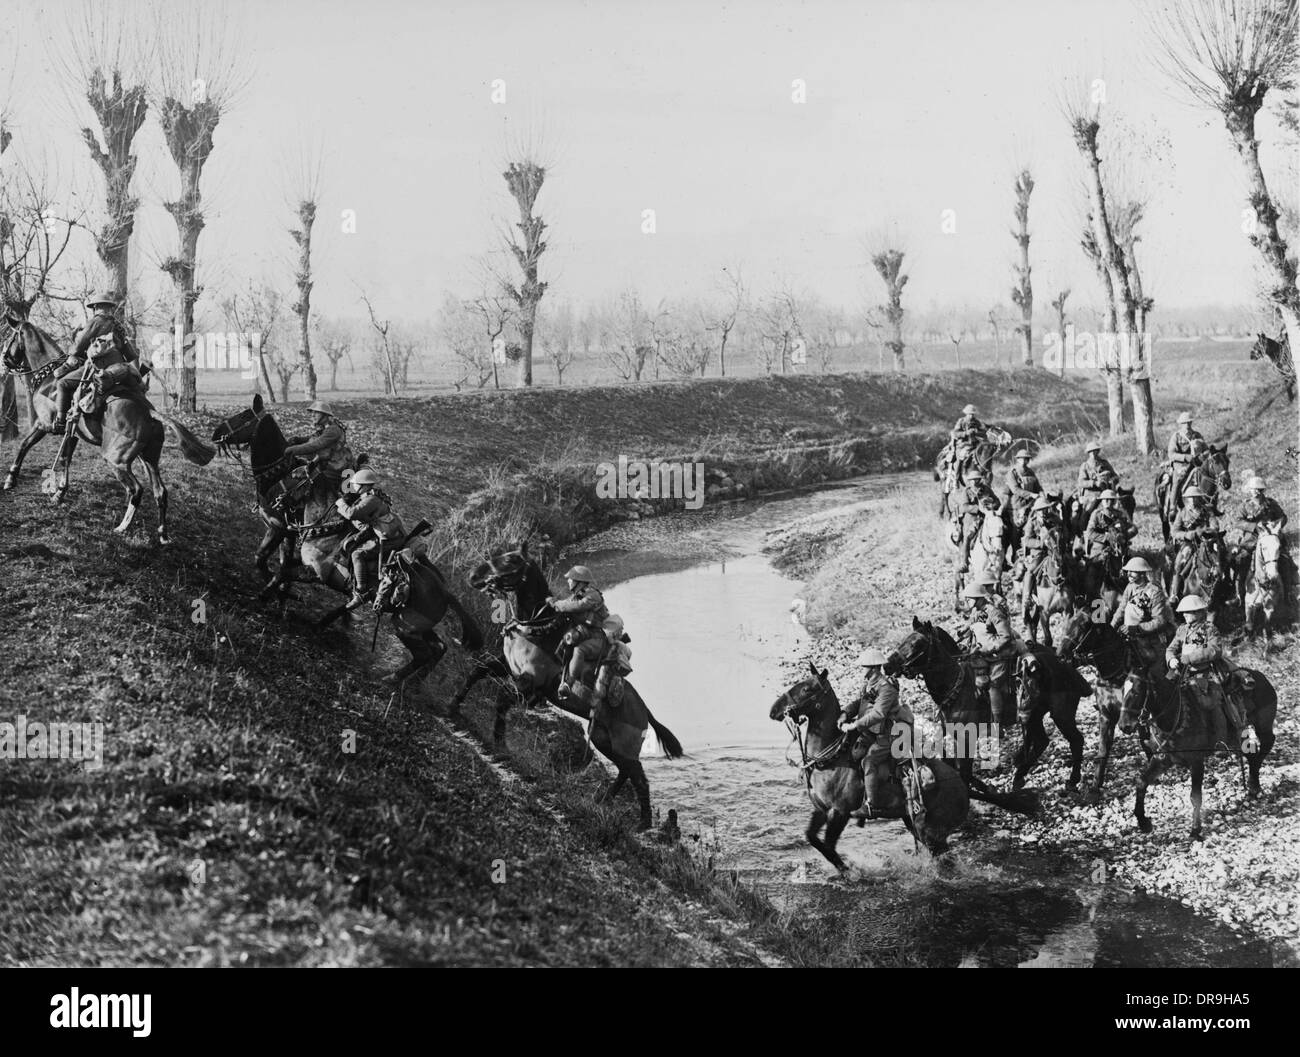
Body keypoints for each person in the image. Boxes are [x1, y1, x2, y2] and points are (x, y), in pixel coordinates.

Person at [1166, 594, 1258, 753]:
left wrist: (1189, 657)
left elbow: (1214, 650)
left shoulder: (1210, 629)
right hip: (1184, 673)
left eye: (1188, 612)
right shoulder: (1182, 630)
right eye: (1184, 613)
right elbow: (1171, 649)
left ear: (1198, 612)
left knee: (1213, 704)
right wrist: (1171, 659)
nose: (1184, 615)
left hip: (1207, 672)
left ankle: (1221, 743)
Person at [838, 647, 913, 820]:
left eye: (864, 666)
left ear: (873, 668)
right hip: (873, 731)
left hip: (891, 733)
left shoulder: (886, 688)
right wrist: (846, 712)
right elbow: (860, 702)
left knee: (869, 761)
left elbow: (879, 714)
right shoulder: (868, 683)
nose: (861, 669)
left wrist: (854, 725)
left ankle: (870, 805)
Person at [51, 292, 143, 431]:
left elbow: (78, 346)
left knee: (62, 383)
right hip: (119, 369)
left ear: (95, 308)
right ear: (110, 308)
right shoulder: (118, 326)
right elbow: (130, 355)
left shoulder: (95, 321)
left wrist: (74, 352)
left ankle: (60, 422)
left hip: (99, 367)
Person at [336, 467, 406, 607]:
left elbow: (351, 514)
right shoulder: (372, 496)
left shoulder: (371, 499)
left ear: (364, 485)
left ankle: (361, 591)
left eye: (356, 484)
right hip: (387, 533)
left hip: (388, 539)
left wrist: (341, 503)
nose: (354, 486)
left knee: (357, 554)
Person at [549, 566, 614, 699]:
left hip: (598, 637)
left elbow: (578, 606)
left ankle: (568, 684)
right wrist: (554, 603)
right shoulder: (577, 595)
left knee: (580, 650)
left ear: (580, 581)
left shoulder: (593, 595)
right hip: (585, 633)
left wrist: (556, 604)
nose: (568, 582)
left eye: (571, 579)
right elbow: (567, 602)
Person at [1110, 556, 1176, 681]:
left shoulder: (1155, 592)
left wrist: (1137, 629)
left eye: (1132, 571)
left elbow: (1160, 621)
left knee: (1156, 676)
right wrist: (1111, 628)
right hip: (1129, 636)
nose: (1128, 574)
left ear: (1141, 574)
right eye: (1128, 571)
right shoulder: (1130, 587)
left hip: (1150, 640)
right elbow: (1121, 609)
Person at [962, 582, 1018, 725]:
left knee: (994, 686)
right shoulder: (977, 611)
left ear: (978, 598)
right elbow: (972, 624)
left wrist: (986, 649)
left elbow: (1005, 636)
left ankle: (997, 724)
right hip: (984, 653)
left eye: (969, 598)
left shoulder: (994, 612)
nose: (967, 601)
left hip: (1001, 654)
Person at [285, 401, 355, 488]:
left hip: (334, 466)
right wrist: (298, 440)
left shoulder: (333, 430)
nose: (312, 415)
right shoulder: (325, 427)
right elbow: (314, 438)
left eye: (316, 413)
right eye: (312, 413)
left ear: (325, 415)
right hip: (325, 462)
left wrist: (290, 450)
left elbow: (315, 445)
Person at [1169, 486, 1222, 599]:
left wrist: (1206, 530)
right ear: (1186, 499)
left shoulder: (1207, 510)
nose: (1193, 500)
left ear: (1199, 498)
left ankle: (1227, 585)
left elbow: (1215, 525)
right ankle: (1175, 593)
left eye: (1195, 497)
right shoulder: (1183, 513)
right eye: (1190, 498)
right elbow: (1174, 532)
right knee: (1179, 563)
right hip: (1190, 543)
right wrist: (1188, 534)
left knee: (1224, 556)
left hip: (1207, 540)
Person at [1166, 411, 1206, 515]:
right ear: (1180, 424)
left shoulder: (1197, 435)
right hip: (1181, 465)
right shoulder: (1176, 436)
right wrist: (1185, 457)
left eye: (1189, 422)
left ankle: (1211, 502)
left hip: (1196, 463)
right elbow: (1171, 454)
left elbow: (1206, 450)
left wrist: (1202, 456)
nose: (1187, 425)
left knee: (1208, 477)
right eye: (1184, 423)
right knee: (1178, 480)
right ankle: (1172, 507)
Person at [1084, 489, 1138, 562]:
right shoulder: (1096, 514)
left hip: (1117, 548)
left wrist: (1123, 536)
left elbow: (1134, 528)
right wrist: (1106, 537)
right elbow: (1090, 532)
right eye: (1104, 499)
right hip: (1100, 547)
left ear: (1113, 501)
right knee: (1094, 568)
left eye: (1109, 499)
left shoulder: (1119, 514)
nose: (1106, 501)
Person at [1076, 441, 1118, 522]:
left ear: (1098, 451)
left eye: (1095, 450)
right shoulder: (1085, 466)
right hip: (1091, 495)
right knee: (1087, 513)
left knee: (1117, 510)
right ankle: (1085, 531)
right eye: (1091, 451)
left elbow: (1115, 476)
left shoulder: (1105, 463)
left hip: (1106, 493)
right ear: (1088, 453)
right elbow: (1081, 482)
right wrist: (1094, 483)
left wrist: (1111, 481)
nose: (1093, 453)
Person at [1004, 450, 1042, 533]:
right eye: (1021, 459)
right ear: (1017, 460)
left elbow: (1038, 487)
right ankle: (1016, 545)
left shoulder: (1030, 472)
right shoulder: (1012, 473)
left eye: (1026, 459)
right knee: (1017, 528)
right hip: (1017, 505)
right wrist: (1031, 494)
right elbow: (1015, 489)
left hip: (1031, 504)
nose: (1024, 461)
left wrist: (1043, 496)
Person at [950, 404, 989, 483]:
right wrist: (966, 433)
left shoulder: (977, 422)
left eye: (972, 414)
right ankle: (956, 478)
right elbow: (955, 433)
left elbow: (984, 432)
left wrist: (977, 432)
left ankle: (984, 476)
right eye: (969, 414)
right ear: (966, 414)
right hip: (963, 444)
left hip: (975, 444)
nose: (971, 416)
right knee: (961, 457)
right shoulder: (961, 421)